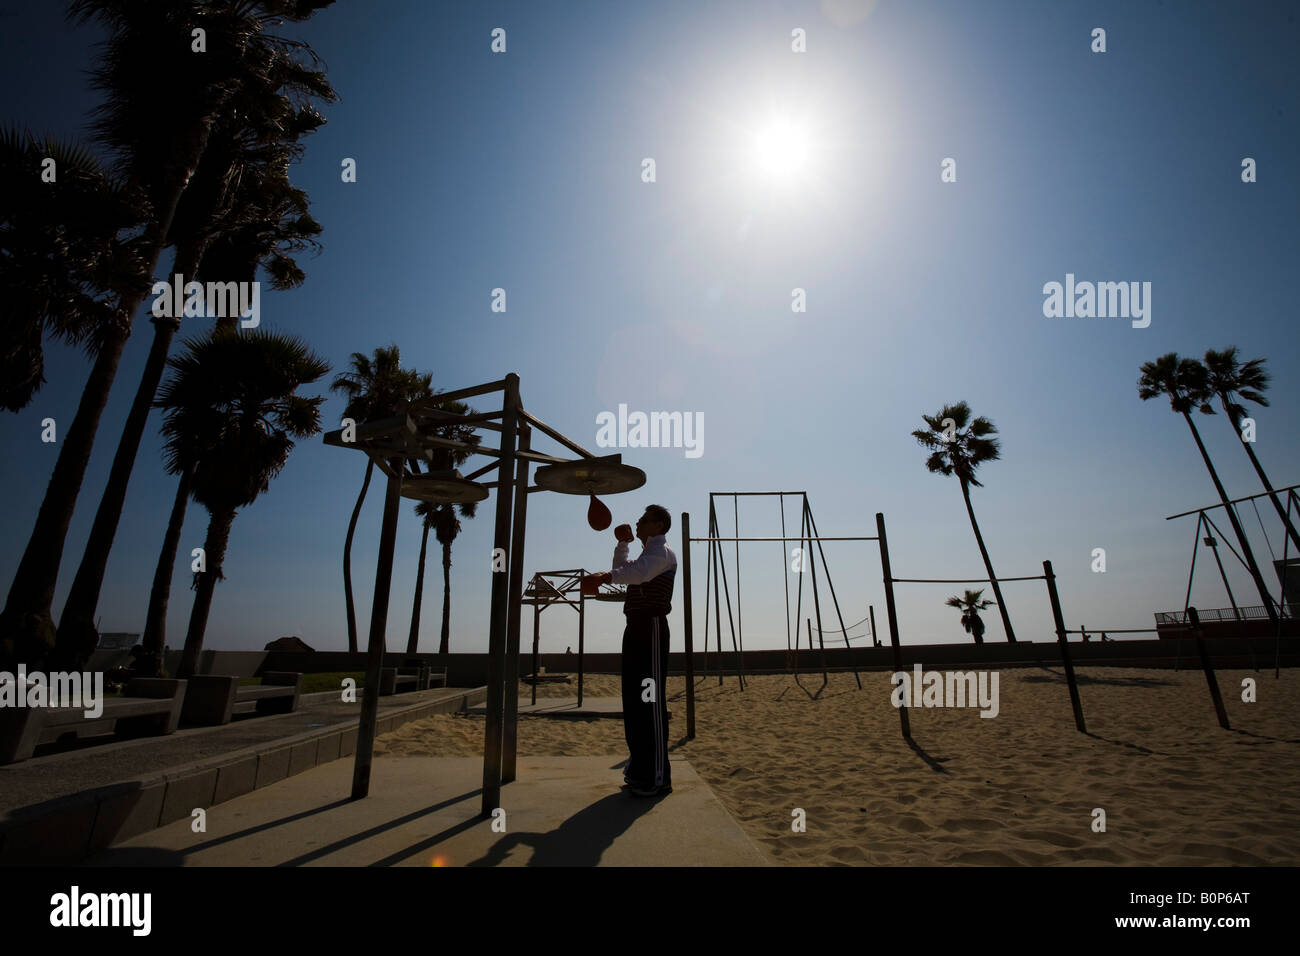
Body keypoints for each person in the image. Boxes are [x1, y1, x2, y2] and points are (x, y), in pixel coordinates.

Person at [581, 504, 676, 798]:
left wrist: (603, 576)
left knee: (650, 702)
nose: (638, 521)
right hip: (634, 627)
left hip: (651, 629)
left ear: (658, 525)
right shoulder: (648, 553)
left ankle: (657, 778)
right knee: (634, 703)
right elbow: (626, 569)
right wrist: (622, 544)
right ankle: (639, 772)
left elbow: (638, 574)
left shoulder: (663, 553)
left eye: (644, 519)